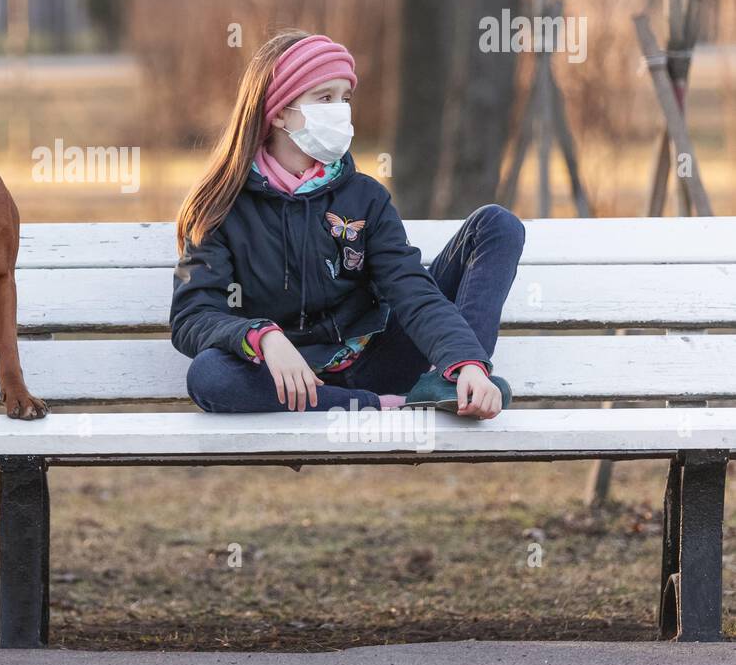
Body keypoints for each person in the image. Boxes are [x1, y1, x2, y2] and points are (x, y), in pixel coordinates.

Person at [171, 31, 525, 419]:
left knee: (496, 224)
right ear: (277, 113)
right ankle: (379, 406)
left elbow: (410, 288)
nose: (340, 110)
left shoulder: (365, 197)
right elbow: (193, 317)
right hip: (289, 379)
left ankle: (454, 382)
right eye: (324, 98)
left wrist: (466, 359)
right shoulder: (219, 207)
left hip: (380, 358)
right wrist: (261, 336)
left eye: (345, 98)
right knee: (209, 376)